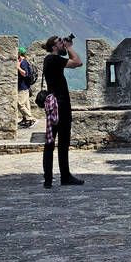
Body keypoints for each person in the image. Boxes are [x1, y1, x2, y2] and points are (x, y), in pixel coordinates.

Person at [42, 34, 83, 188]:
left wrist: (65, 46)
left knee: (50, 142)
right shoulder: (54, 59)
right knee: (63, 142)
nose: (62, 43)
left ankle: (48, 179)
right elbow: (78, 62)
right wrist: (69, 47)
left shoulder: (48, 60)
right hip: (62, 106)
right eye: (59, 42)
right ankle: (65, 176)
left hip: (52, 106)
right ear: (54, 47)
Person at [17, 47, 37, 128]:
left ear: (19, 54)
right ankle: (26, 119)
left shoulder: (23, 62)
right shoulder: (24, 61)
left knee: (20, 104)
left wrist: (18, 67)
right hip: (25, 86)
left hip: (23, 87)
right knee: (26, 104)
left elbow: (25, 74)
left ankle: (31, 119)